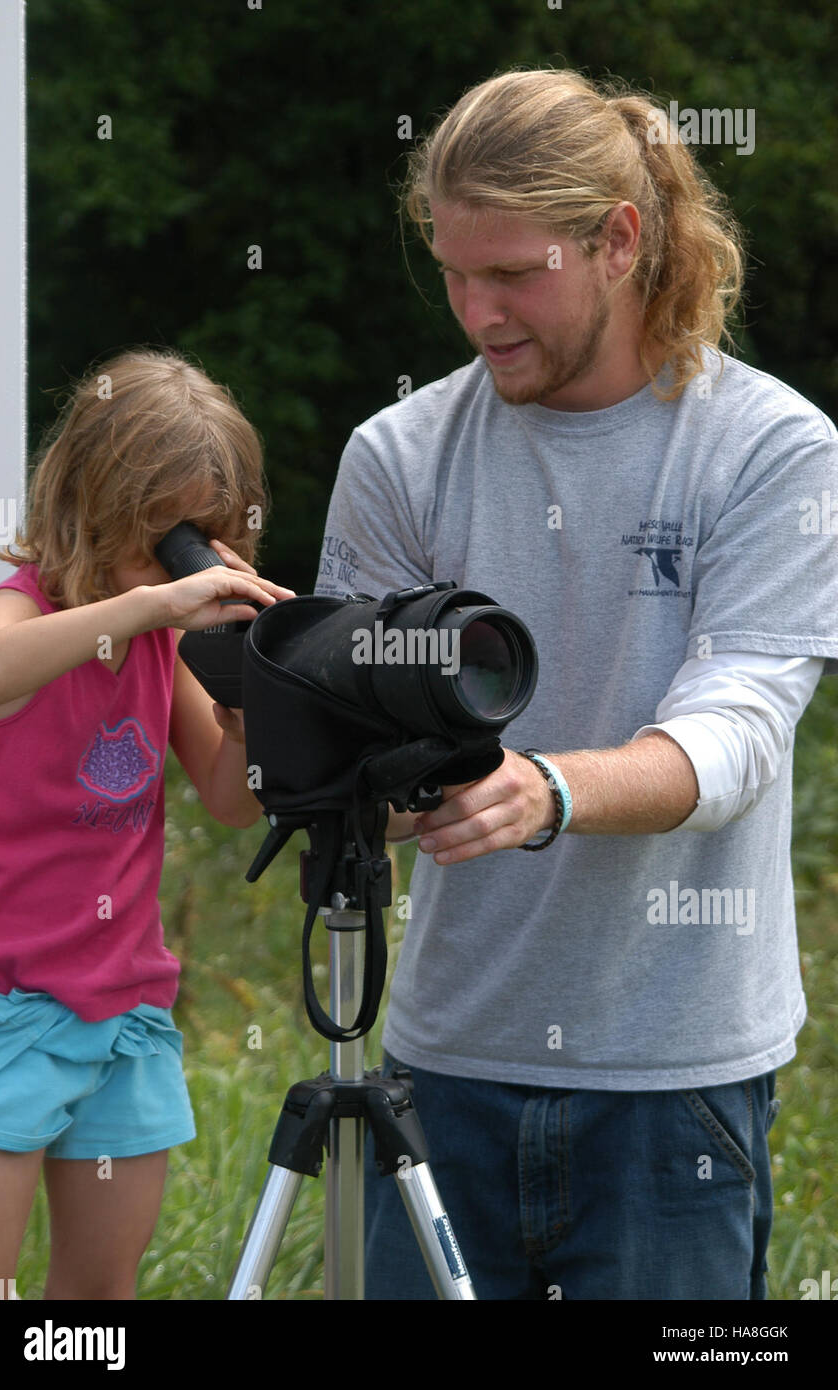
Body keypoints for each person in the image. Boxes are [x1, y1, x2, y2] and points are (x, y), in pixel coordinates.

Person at [314, 68, 838, 1300]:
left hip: (677, 1086)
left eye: (514, 273)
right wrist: (304, 729)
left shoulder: (771, 448)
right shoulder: (398, 455)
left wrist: (545, 788)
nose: (477, 311)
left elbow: (739, 733)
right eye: (452, 270)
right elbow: (357, 752)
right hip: (441, 1072)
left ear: (619, 240)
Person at [0, 348, 290, 1300]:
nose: (181, 562)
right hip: (1, 1008)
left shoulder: (160, 646)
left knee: (99, 1307)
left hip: (125, 1016)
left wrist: (241, 689)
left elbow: (233, 800)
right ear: (92, 504)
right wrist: (151, 600)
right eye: (165, 538)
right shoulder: (16, 614)